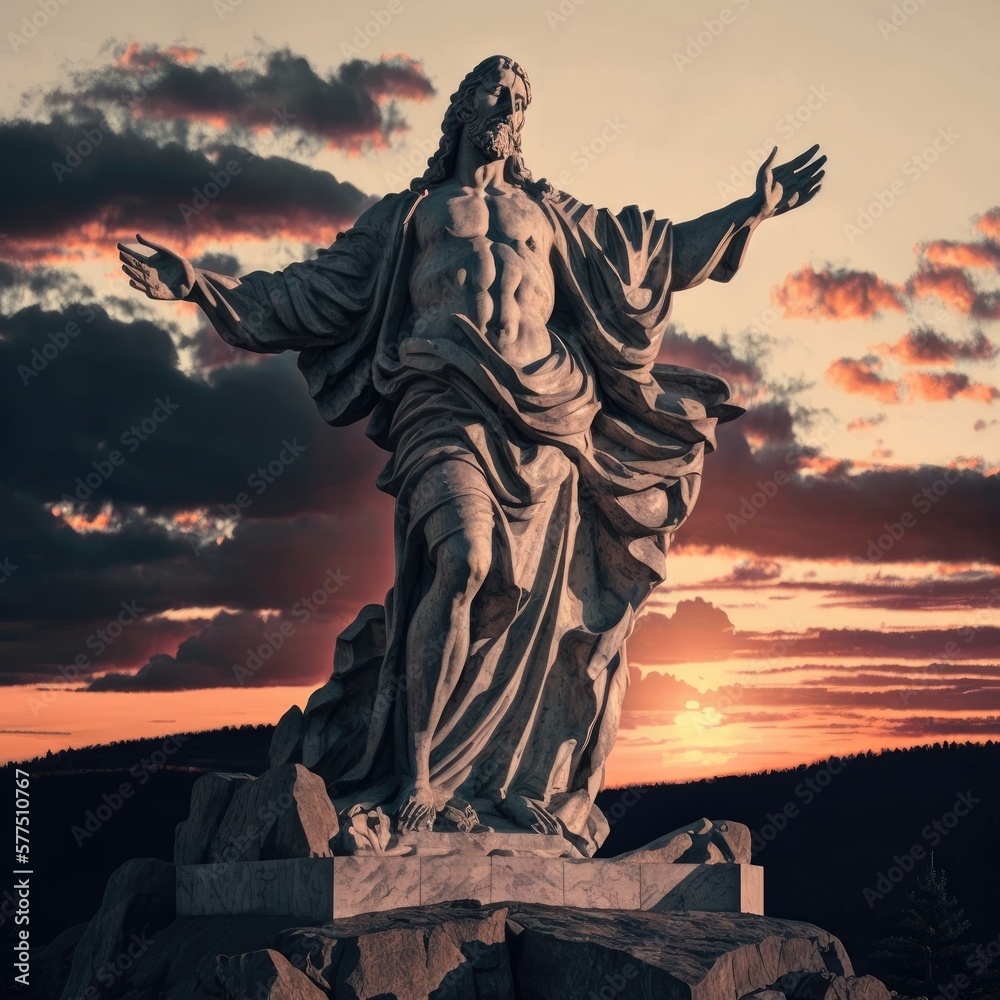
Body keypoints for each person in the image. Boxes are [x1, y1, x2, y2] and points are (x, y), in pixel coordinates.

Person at [119, 55, 824, 856]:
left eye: (521, 97)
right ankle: (416, 776)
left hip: (547, 416)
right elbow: (313, 291)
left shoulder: (551, 216)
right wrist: (201, 286)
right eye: (496, 90)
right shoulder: (410, 216)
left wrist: (750, 209)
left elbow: (653, 259)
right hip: (442, 402)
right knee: (462, 562)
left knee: (522, 601)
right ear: (460, 108)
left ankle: (493, 782)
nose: (509, 105)